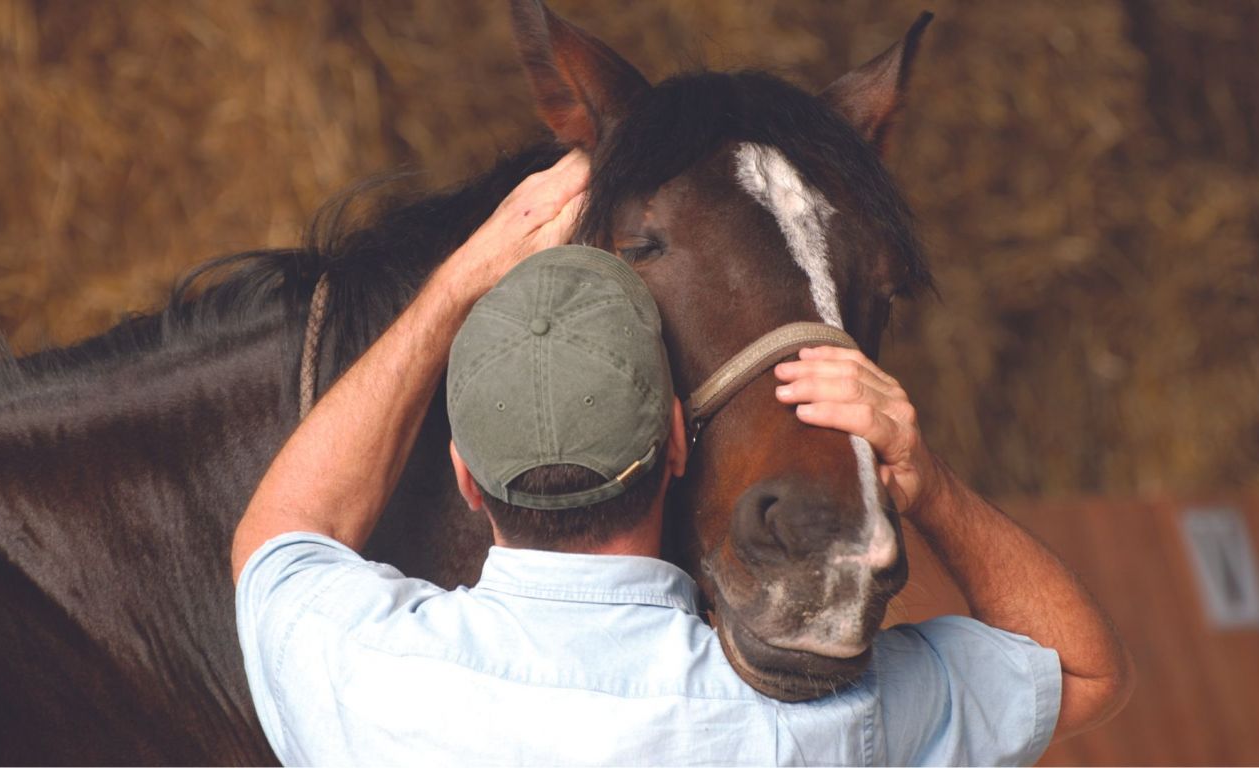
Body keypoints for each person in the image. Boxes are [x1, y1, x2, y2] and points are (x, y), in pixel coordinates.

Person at [231, 151, 1132, 766]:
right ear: (671, 442)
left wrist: (456, 287)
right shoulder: (814, 728)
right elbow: (1081, 670)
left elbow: (279, 535)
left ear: (465, 475)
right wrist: (927, 483)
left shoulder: (358, 668)